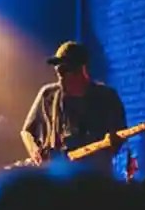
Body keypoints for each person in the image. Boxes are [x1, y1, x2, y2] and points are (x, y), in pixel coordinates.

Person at [20, 42, 127, 171]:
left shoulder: (106, 97)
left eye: (64, 70)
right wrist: (35, 151)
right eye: (58, 70)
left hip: (94, 177)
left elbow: (120, 136)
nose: (60, 77)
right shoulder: (48, 95)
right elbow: (27, 132)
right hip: (57, 177)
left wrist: (111, 143)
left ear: (81, 70)